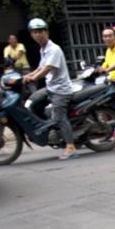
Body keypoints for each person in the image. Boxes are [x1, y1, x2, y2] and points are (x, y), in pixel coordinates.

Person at [23, 18, 77, 160]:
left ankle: (71, 146)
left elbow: (47, 68)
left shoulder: (54, 49)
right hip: (51, 88)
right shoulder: (43, 49)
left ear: (47, 32)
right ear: (31, 35)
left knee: (59, 117)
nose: (38, 35)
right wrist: (29, 74)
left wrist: (34, 78)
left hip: (61, 90)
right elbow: (41, 66)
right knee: (33, 100)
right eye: (35, 32)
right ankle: (49, 130)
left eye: (41, 31)